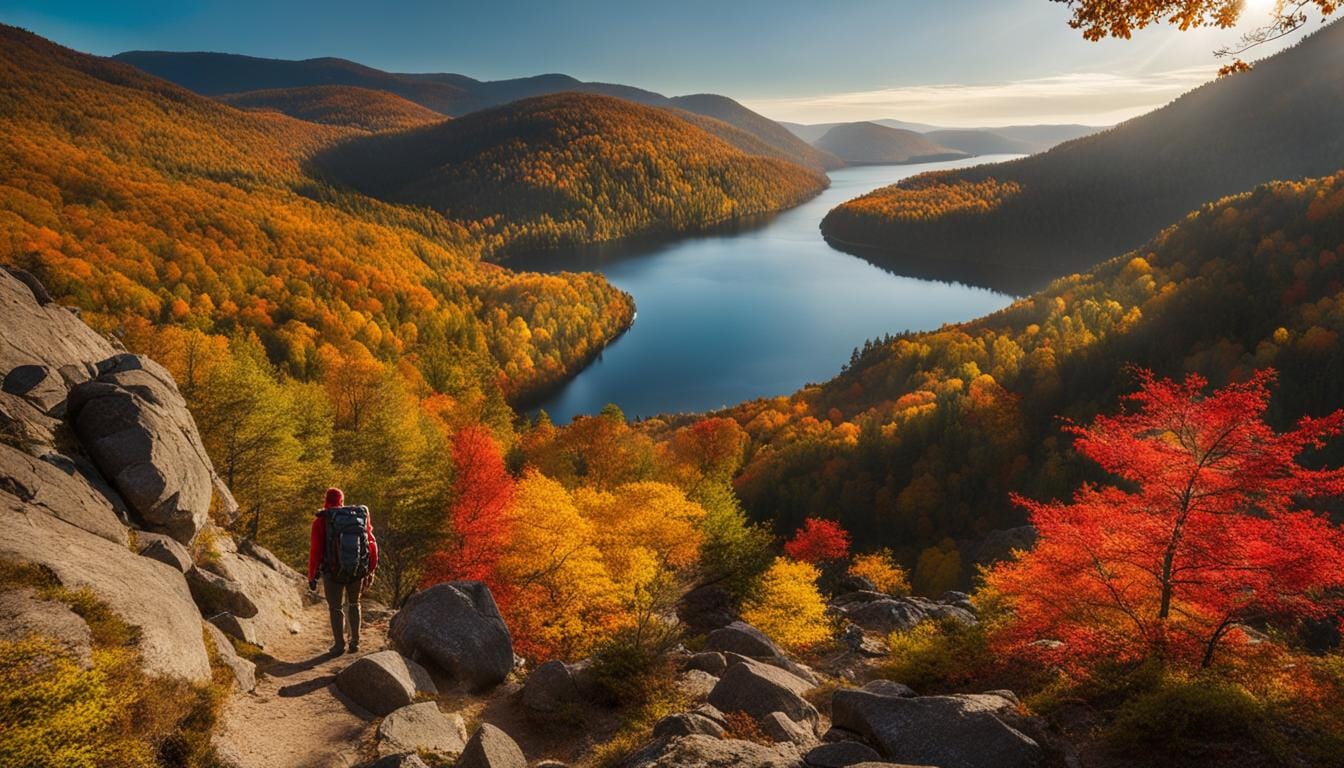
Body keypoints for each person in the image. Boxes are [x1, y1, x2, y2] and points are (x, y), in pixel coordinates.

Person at [307, 487, 377, 655]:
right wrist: (370, 569)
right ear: (342, 500)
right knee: (354, 604)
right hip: (356, 571)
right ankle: (355, 642)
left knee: (335, 608)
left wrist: (312, 575)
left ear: (326, 500)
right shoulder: (359, 517)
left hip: (332, 572)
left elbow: (315, 551)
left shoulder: (321, 520)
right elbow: (371, 543)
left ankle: (339, 645)